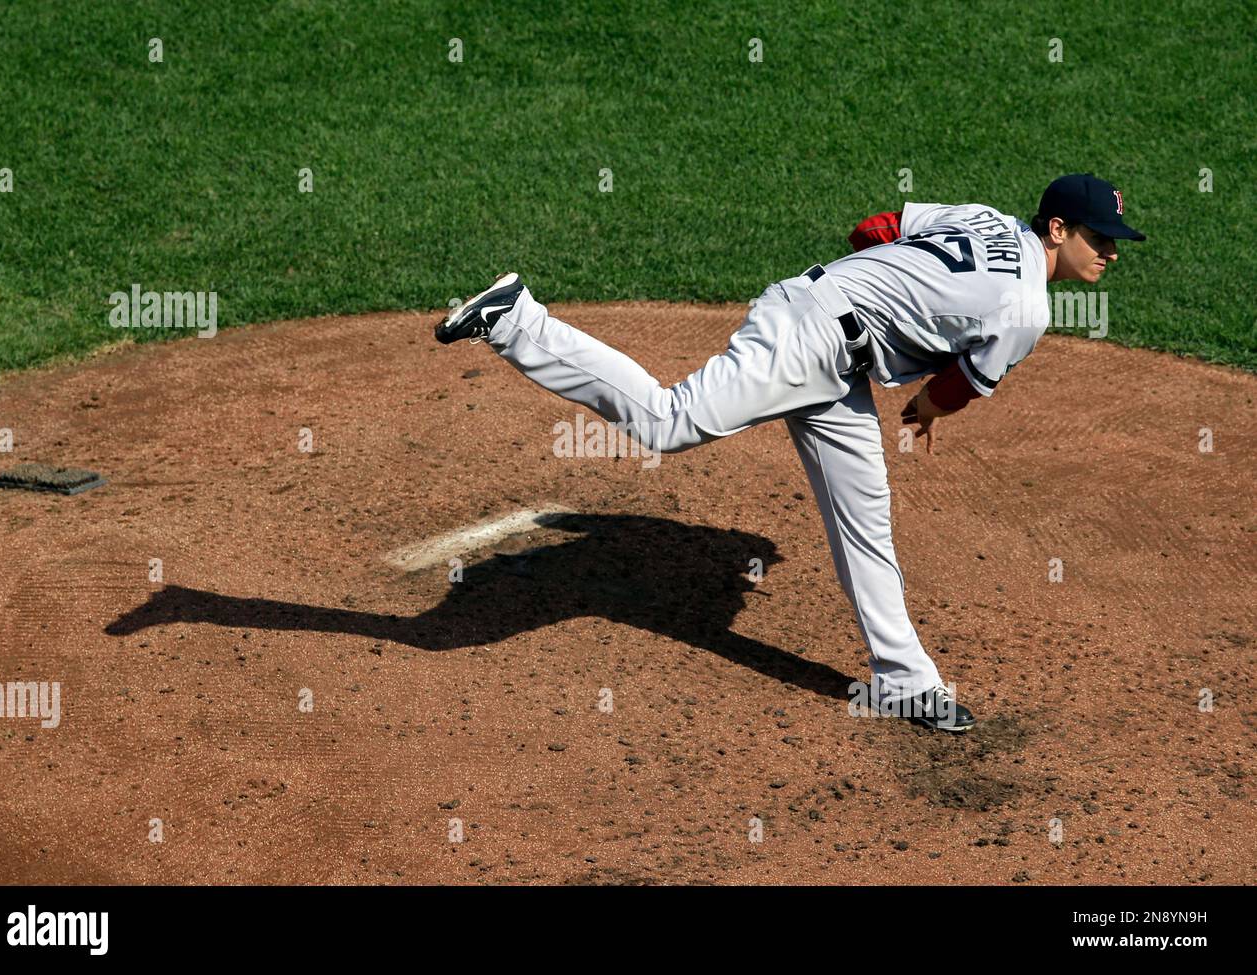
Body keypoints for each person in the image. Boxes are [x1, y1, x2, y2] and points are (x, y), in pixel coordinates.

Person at [434, 173, 1145, 732]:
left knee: (866, 516)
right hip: (810, 342)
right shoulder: (1027, 307)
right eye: (1099, 238)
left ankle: (904, 681)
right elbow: (957, 386)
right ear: (1057, 228)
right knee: (671, 421)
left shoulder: (986, 217)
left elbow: (877, 228)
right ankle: (517, 320)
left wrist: (885, 292)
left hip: (833, 349)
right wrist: (923, 405)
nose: (1110, 252)